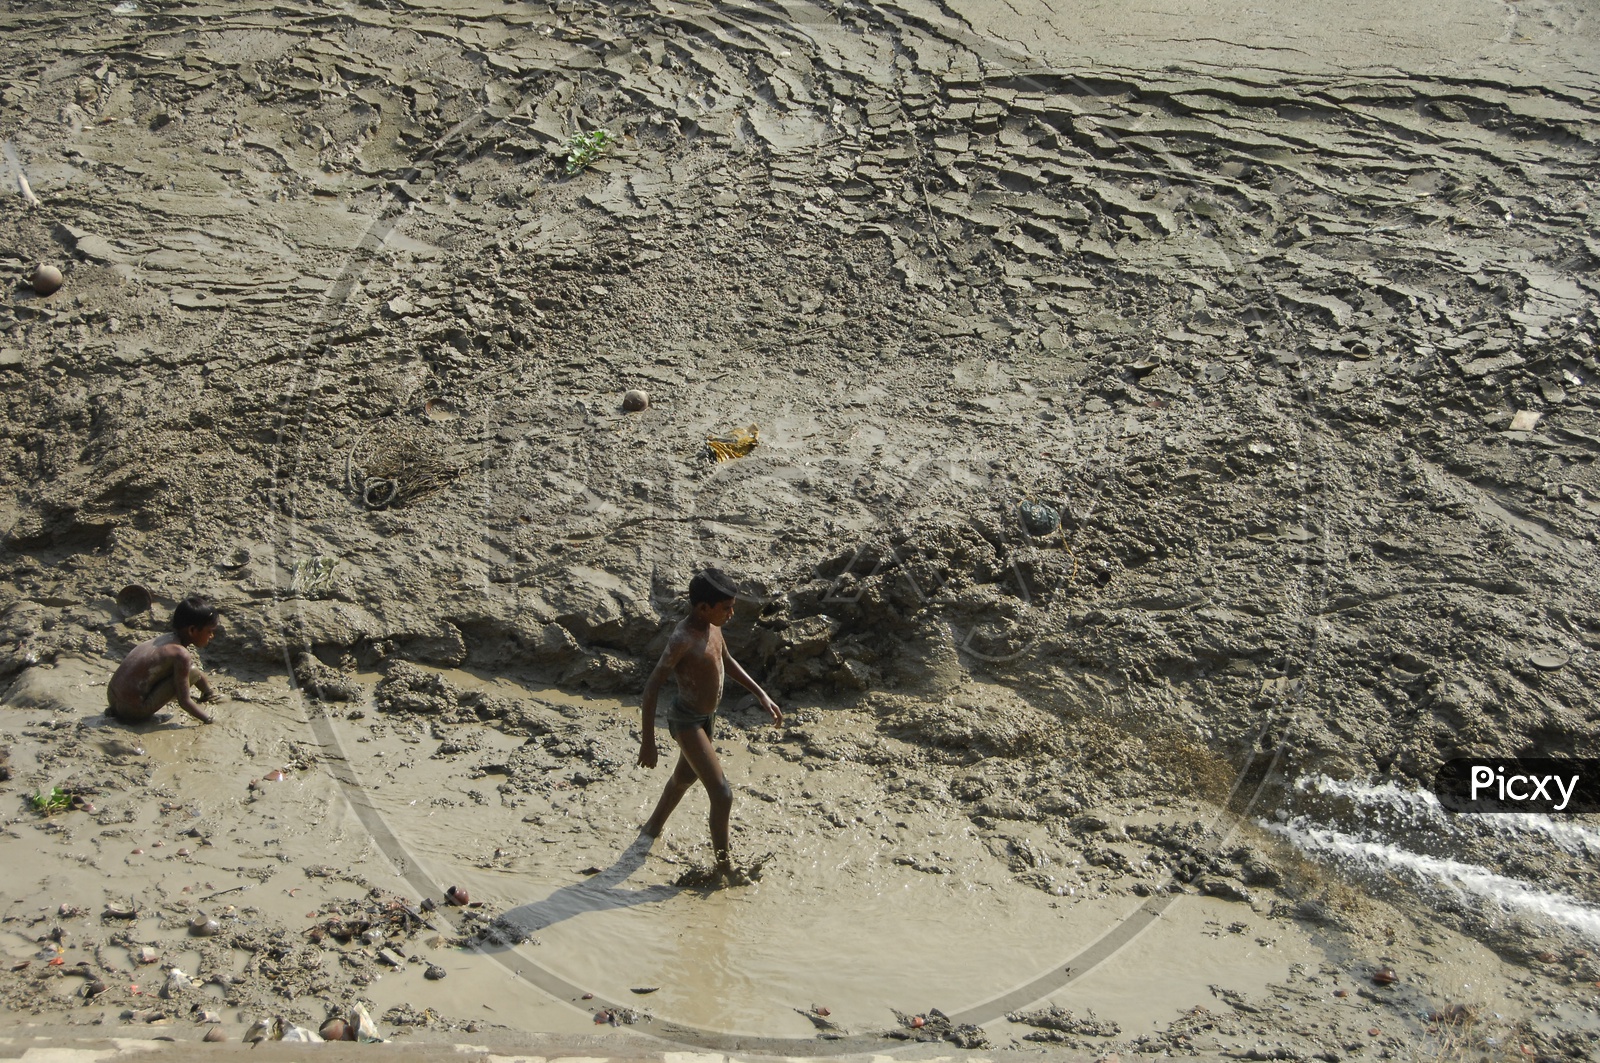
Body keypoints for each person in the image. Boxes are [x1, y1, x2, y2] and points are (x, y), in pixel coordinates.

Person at [638, 569, 781, 876]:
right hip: (686, 720)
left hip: (706, 718)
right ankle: (724, 868)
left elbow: (725, 659)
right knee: (722, 793)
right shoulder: (683, 639)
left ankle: (650, 829)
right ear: (703, 607)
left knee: (683, 779)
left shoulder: (712, 626)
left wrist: (761, 694)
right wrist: (648, 743)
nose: (732, 613)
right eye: (726, 608)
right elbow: (652, 687)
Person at [107, 595, 223, 724]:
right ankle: (142, 718)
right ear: (192, 630)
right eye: (209, 631)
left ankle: (208, 692)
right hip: (132, 711)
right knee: (192, 671)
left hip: (112, 699)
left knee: (187, 668)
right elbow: (184, 701)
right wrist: (209, 720)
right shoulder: (181, 654)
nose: (211, 636)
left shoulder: (165, 640)